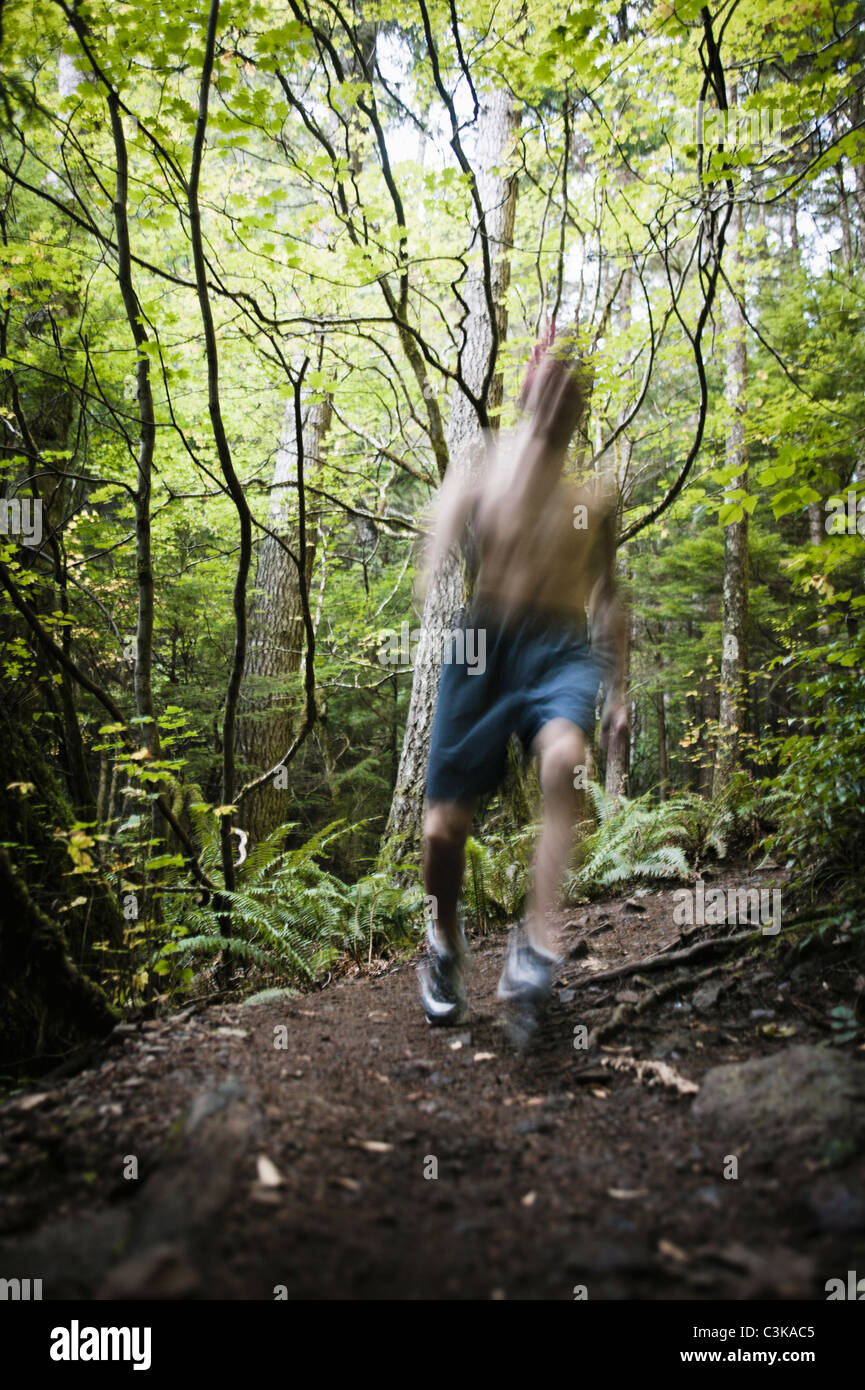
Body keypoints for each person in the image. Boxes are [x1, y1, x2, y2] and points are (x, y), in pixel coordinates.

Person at [417, 347, 628, 1044]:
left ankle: (536, 939)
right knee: (443, 830)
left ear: (580, 408)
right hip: (483, 641)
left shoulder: (593, 500)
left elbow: (610, 595)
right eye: (553, 381)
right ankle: (444, 943)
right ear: (532, 391)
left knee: (563, 758)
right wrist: (439, 548)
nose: (562, 396)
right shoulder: (486, 466)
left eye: (576, 388)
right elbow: (447, 515)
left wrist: (618, 692)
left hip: (561, 647)